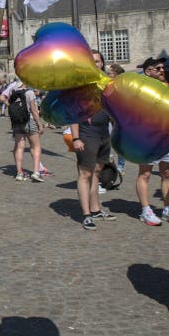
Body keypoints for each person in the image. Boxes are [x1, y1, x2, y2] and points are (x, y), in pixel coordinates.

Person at [134, 57, 169, 226]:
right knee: (145, 173)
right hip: (148, 138)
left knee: (168, 173)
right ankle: (146, 210)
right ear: (148, 71)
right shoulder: (140, 88)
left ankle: (168, 209)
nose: (162, 70)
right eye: (158, 68)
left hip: (167, 136)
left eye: (163, 68)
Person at [71, 50, 117, 231]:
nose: (95, 64)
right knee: (85, 174)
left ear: (102, 64)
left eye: (98, 61)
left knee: (96, 173)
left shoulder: (107, 84)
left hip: (104, 133)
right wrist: (75, 137)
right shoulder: (80, 86)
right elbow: (73, 113)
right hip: (86, 133)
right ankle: (86, 214)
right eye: (92, 61)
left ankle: (96, 208)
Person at [0, 81, 45, 182]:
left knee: (19, 147)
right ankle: (36, 172)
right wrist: (40, 124)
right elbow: (33, 110)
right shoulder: (29, 93)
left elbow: (2, 98)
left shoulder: (13, 92)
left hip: (16, 123)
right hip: (29, 121)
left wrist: (9, 105)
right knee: (35, 146)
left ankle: (19, 173)